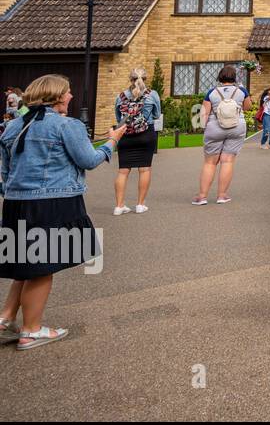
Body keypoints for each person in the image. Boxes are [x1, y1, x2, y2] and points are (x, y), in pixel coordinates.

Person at [0, 75, 127, 349]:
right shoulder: (67, 125)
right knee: (42, 268)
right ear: (57, 96)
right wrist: (112, 142)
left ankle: (6, 319)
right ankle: (32, 330)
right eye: (68, 93)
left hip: (15, 203)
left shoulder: (12, 127)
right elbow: (88, 160)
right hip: (52, 202)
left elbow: (5, 172)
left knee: (25, 263)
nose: (71, 97)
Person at [193, 66, 252, 206]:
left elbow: (204, 114)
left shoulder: (211, 92)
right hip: (236, 128)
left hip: (215, 128)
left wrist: (203, 128)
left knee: (210, 162)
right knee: (227, 161)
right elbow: (247, 107)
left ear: (220, 77)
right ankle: (222, 195)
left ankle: (202, 197)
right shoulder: (241, 91)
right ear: (234, 77)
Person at [111, 68, 161, 215]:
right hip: (146, 134)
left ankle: (119, 206)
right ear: (145, 79)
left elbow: (118, 118)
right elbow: (157, 114)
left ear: (130, 79)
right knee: (144, 169)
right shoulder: (152, 95)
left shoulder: (121, 97)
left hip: (126, 135)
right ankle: (140, 205)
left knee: (123, 171)